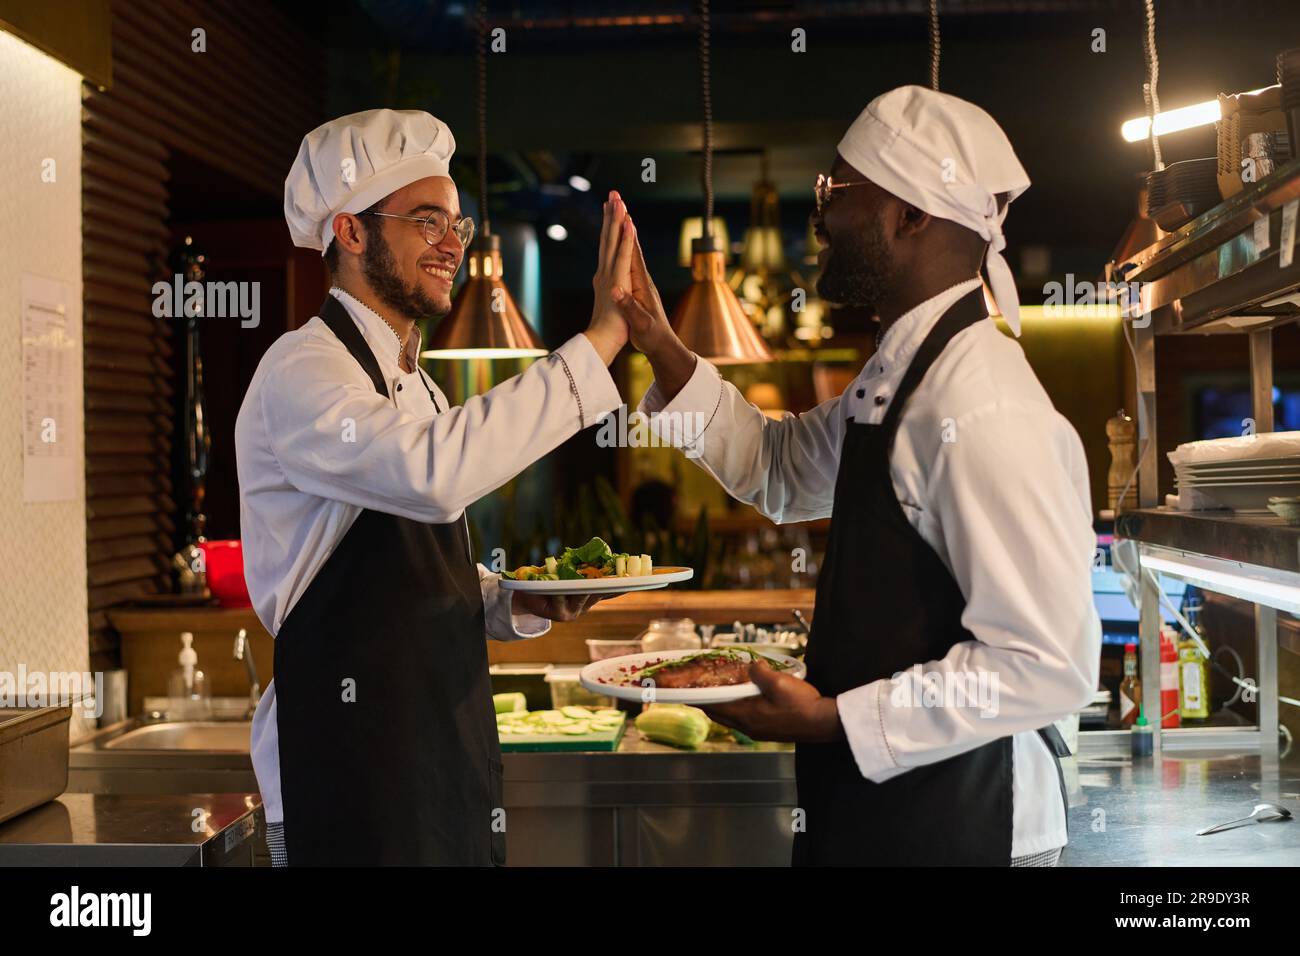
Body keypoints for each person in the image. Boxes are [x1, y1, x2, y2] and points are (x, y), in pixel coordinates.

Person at [611, 86, 1101, 866]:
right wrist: (658, 343)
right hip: (885, 811)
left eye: (836, 192)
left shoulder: (981, 405)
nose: (820, 217)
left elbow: (1046, 666)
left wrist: (832, 720)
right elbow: (778, 469)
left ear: (911, 215)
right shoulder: (898, 372)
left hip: (964, 819)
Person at [235, 109, 638, 865]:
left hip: (440, 762)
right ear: (349, 231)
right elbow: (434, 473)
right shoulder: (301, 371)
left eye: (458, 222)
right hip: (352, 775)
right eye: (427, 221)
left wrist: (511, 600)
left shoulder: (415, 387)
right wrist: (602, 341)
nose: (455, 244)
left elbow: (418, 570)